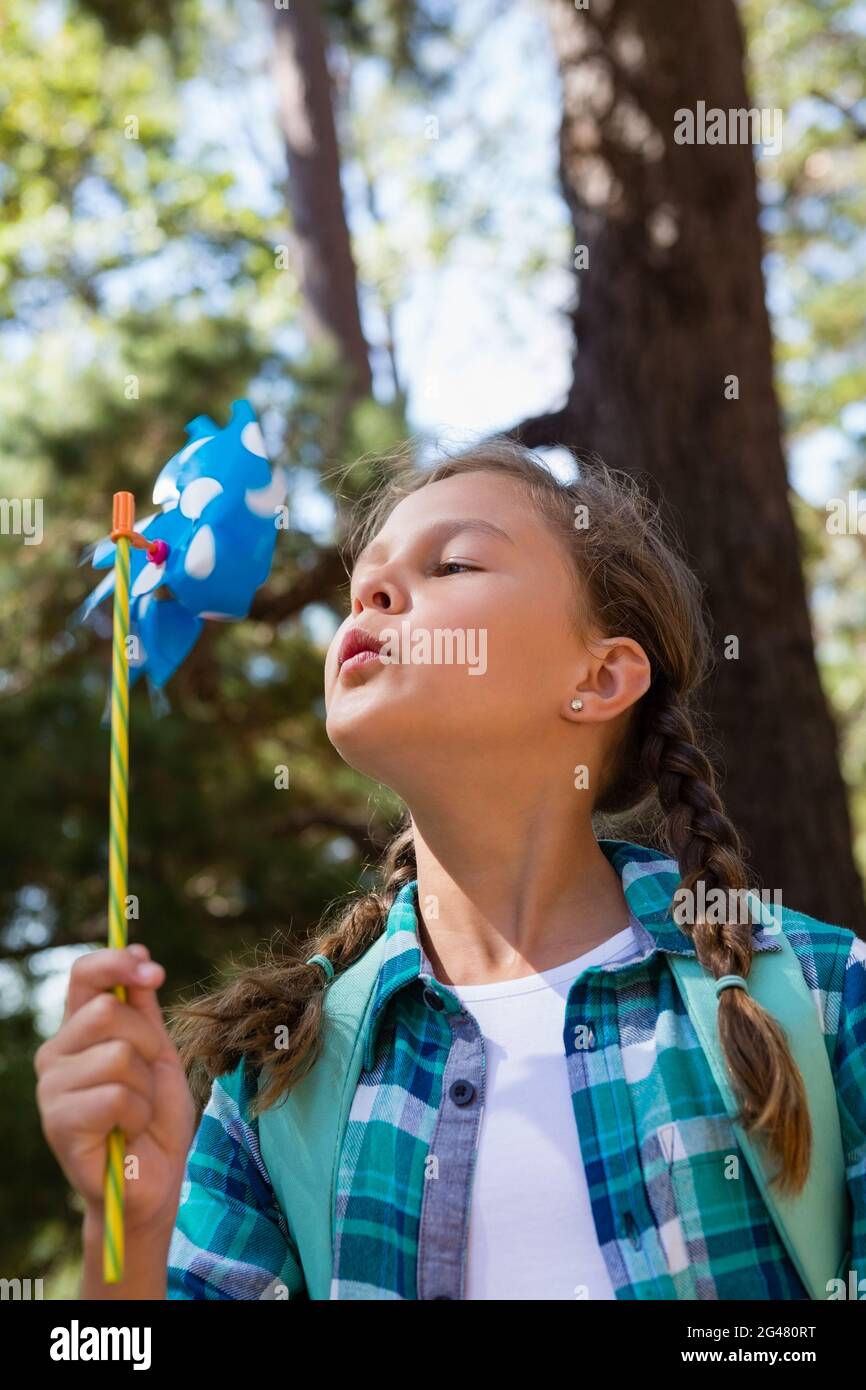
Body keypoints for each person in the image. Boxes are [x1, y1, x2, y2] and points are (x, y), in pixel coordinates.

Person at [35, 437, 866, 1300]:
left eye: (454, 563)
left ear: (602, 675)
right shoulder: (276, 1080)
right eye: (366, 581)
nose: (371, 593)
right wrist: (125, 1233)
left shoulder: (821, 994)